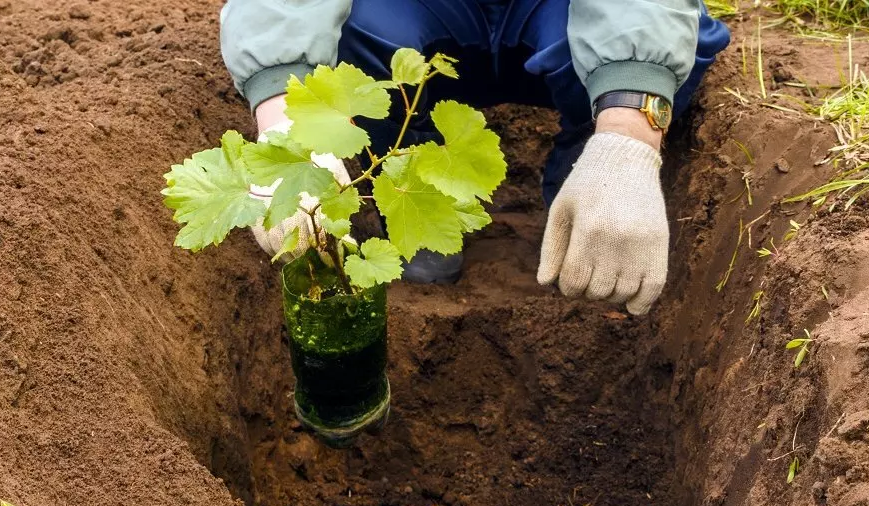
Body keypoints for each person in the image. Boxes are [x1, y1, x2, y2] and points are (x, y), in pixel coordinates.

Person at [219, 0, 730, 315]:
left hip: (565, 12)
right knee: (346, 39)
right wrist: (289, 125)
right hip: (412, 11)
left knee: (664, 50)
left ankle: (586, 192)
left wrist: (628, 135)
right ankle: (418, 202)